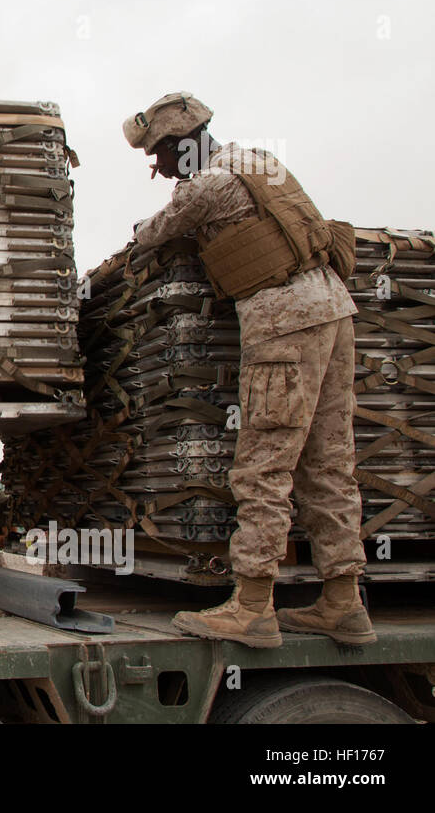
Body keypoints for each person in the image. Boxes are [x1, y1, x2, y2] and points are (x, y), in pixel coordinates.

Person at [124, 92, 373, 648]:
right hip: (334, 312)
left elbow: (151, 233)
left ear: (178, 145)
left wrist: (145, 225)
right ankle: (343, 602)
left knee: (263, 464)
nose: (156, 168)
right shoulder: (261, 161)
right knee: (329, 465)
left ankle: (253, 605)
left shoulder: (206, 185)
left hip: (283, 324)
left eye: (158, 157)